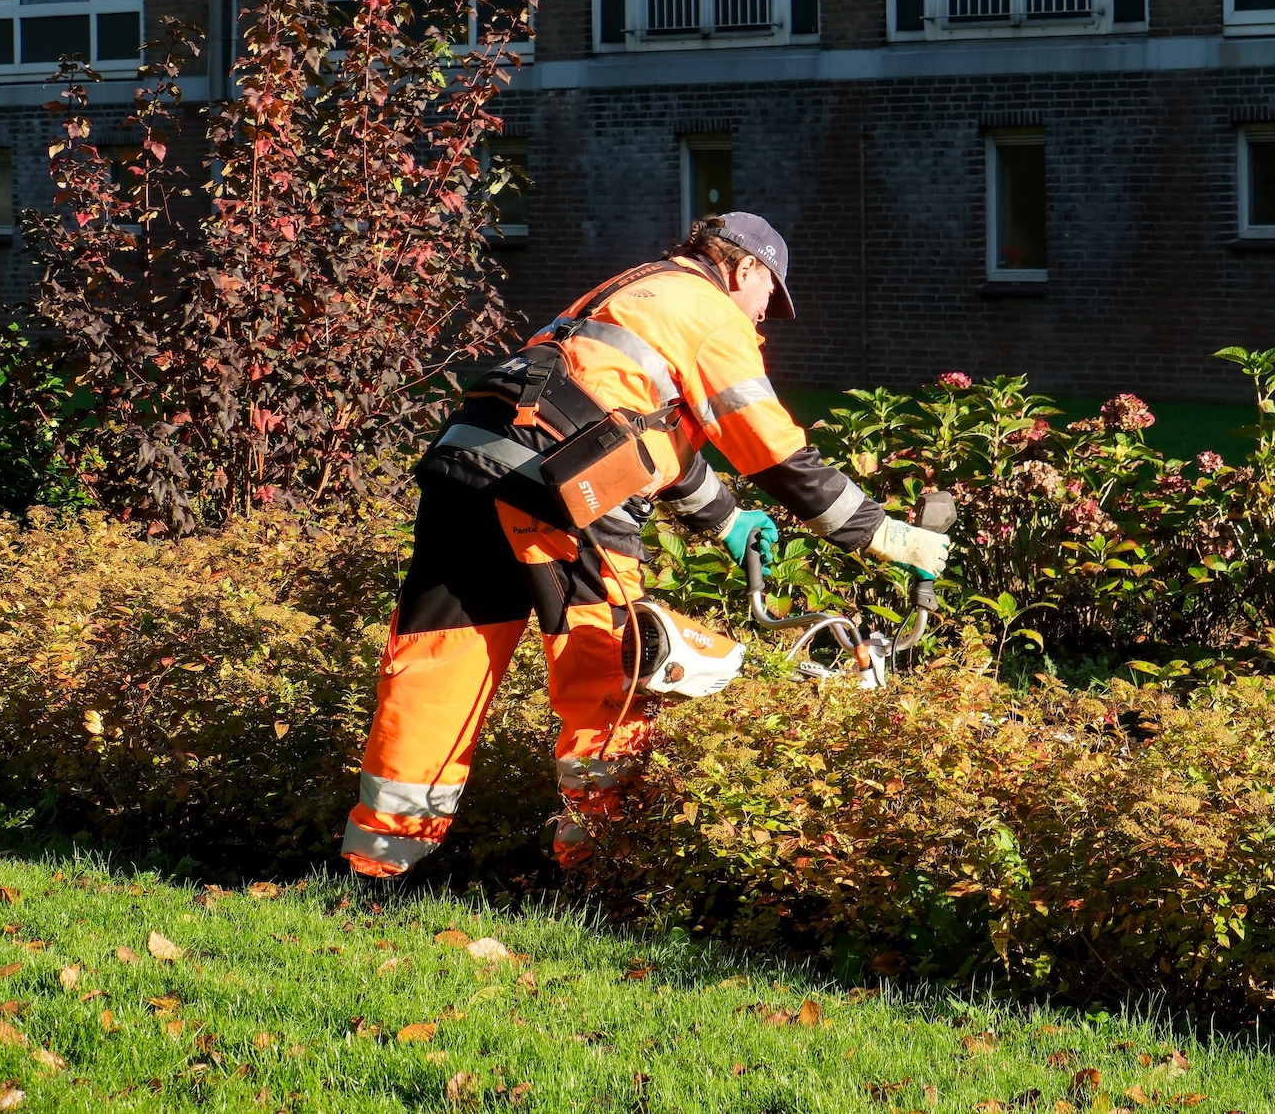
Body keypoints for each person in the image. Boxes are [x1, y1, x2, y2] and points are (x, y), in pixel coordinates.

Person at [341, 212, 952, 879]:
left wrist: (725, 521)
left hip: (470, 466)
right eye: (767, 299)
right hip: (563, 486)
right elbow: (777, 455)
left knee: (436, 666)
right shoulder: (714, 314)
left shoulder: (633, 292)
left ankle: (380, 867)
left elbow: (640, 428)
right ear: (744, 269)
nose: (762, 320)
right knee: (611, 673)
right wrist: (882, 532)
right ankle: (597, 872)